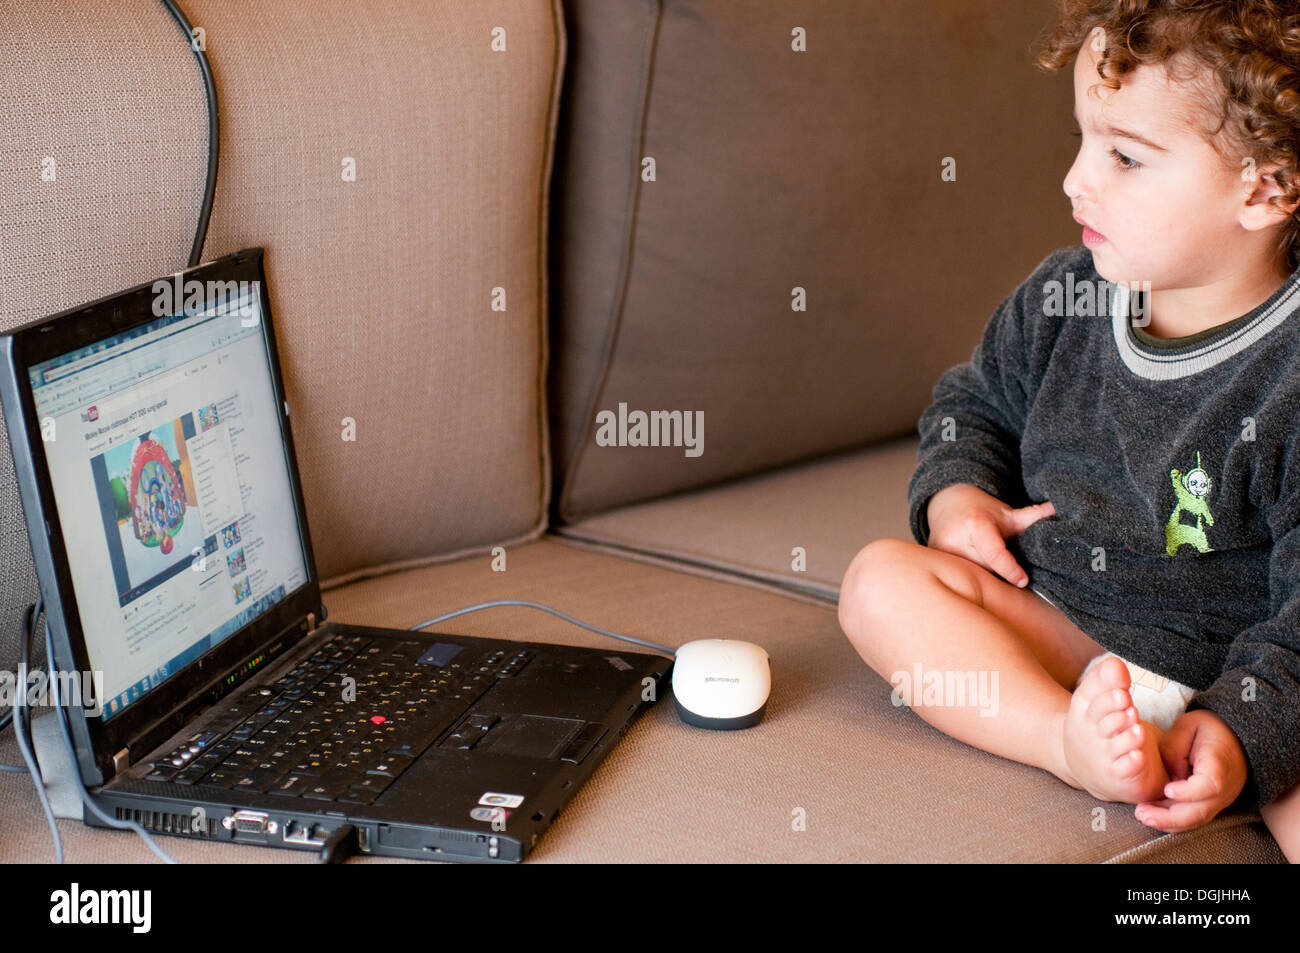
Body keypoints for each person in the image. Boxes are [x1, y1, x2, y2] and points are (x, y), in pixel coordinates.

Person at [838, 1, 1300, 862]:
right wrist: (959, 494)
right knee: (879, 582)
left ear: (1265, 188)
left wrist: (1242, 731)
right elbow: (970, 404)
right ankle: (1068, 743)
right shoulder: (1065, 297)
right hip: (1068, 629)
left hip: (1256, 667)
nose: (1075, 179)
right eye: (1084, 139)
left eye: (1125, 156)